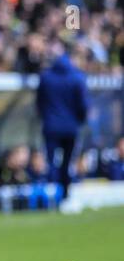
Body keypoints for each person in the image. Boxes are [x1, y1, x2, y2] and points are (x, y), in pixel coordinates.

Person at [36, 43, 90, 201]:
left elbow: (39, 103)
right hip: (71, 128)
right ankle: (65, 193)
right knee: (67, 162)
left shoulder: (46, 77)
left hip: (51, 126)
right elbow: (83, 105)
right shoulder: (77, 77)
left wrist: (46, 117)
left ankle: (51, 193)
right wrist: (79, 121)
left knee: (51, 161)